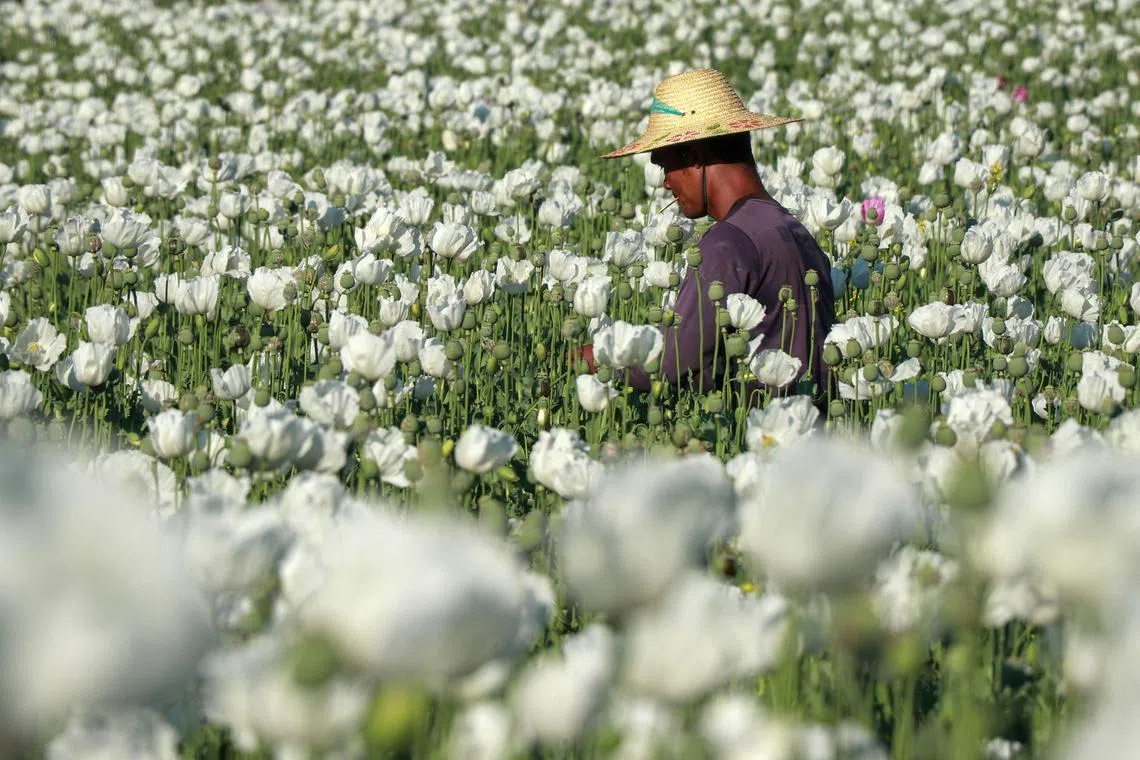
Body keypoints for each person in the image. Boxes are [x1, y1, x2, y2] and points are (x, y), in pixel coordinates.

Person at [579, 68, 836, 408]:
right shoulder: (794, 228)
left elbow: (673, 364)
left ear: (694, 158)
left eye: (665, 165)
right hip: (819, 425)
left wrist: (597, 358)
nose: (665, 183)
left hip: (763, 426)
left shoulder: (728, 243)